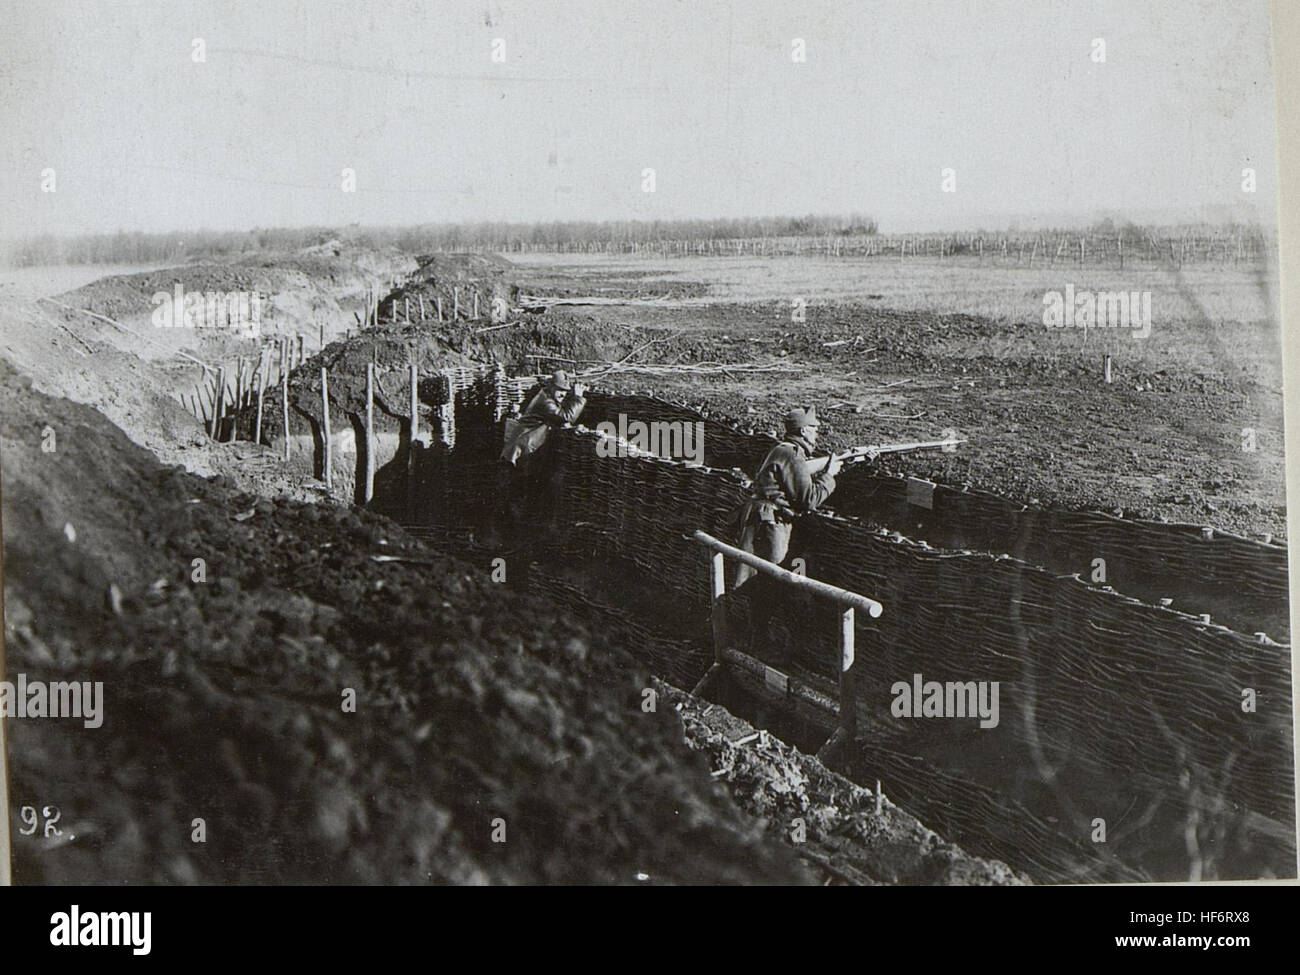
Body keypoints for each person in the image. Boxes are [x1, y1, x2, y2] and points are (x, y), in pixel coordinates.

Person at [732, 405, 839, 587]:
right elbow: (808, 500)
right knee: (768, 580)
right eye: (814, 429)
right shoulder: (793, 454)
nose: (817, 435)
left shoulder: (784, 449)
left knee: (755, 578)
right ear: (804, 431)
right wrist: (829, 476)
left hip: (761, 518)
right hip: (770, 523)